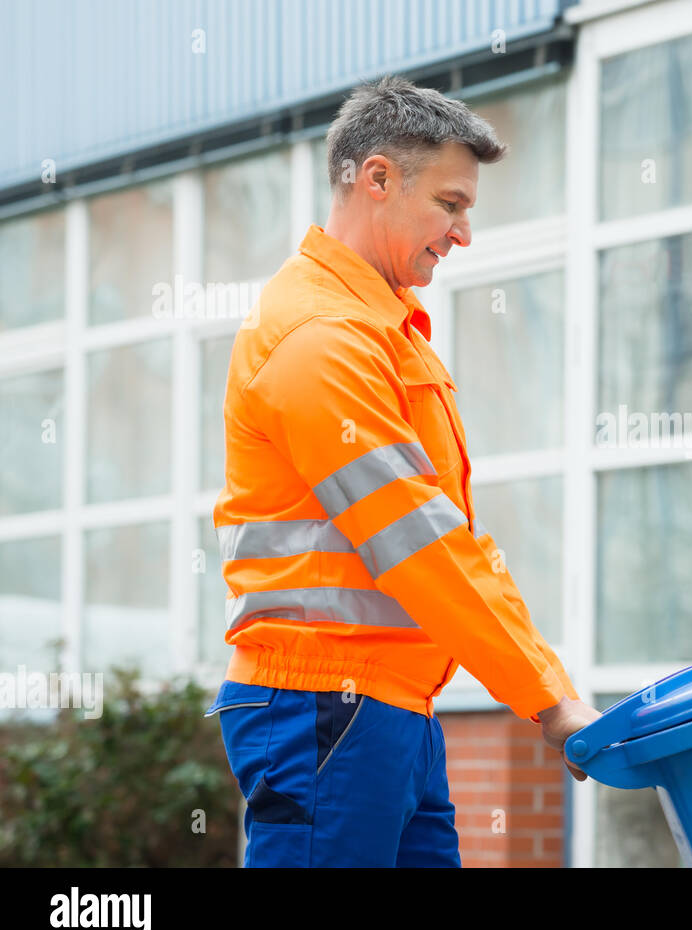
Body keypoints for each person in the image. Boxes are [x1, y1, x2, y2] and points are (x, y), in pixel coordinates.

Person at [204, 75, 602, 867]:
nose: (462, 233)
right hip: (324, 703)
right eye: (450, 204)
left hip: (386, 709)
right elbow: (418, 544)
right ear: (378, 178)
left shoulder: (386, 332)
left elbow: (452, 536)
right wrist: (548, 698)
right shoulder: (322, 339)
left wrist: (546, 684)